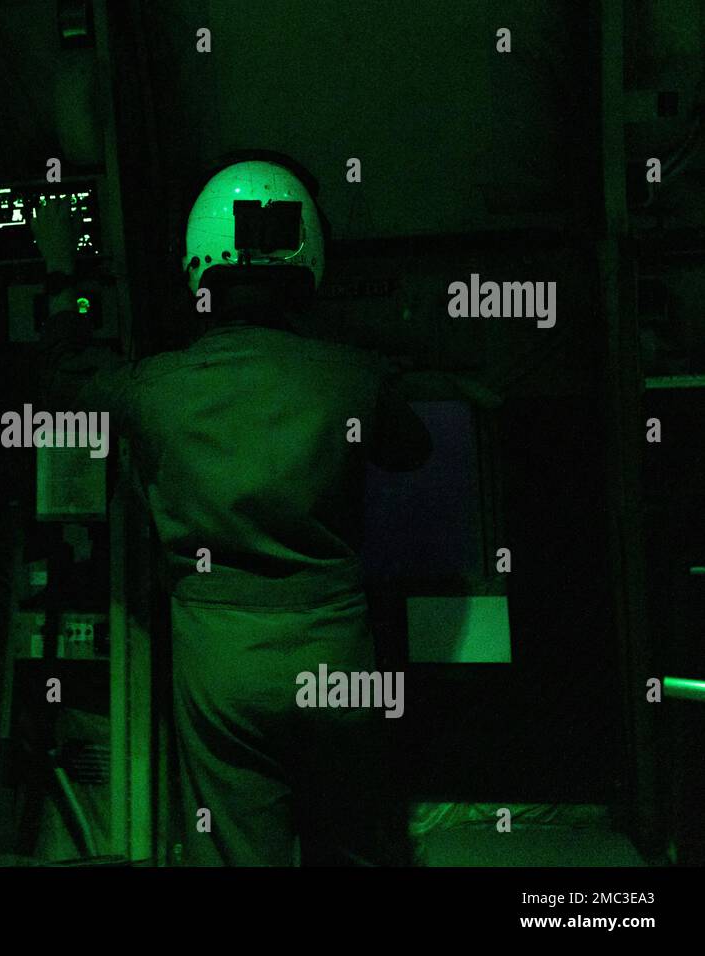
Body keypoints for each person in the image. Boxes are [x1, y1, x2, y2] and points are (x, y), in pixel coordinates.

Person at [29, 153, 500, 865]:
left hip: (219, 660)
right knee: (357, 848)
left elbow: (63, 385)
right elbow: (410, 448)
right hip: (334, 649)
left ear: (199, 268)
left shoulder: (157, 388)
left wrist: (64, 278)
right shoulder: (350, 377)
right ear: (307, 261)